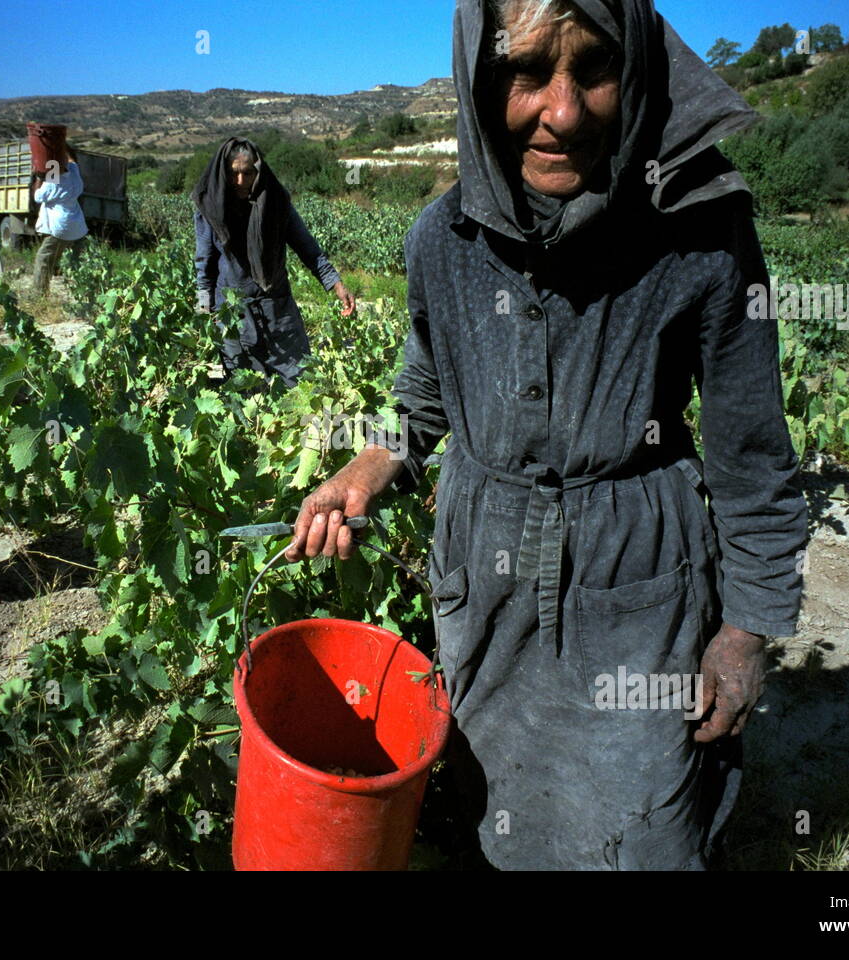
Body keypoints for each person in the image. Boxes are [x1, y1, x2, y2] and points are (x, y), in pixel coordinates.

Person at [285, 0, 808, 870]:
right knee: (491, 810)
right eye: (527, 70)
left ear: (637, 68)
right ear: (481, 80)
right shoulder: (439, 241)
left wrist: (744, 633)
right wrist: (368, 466)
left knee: (641, 826)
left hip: (637, 588)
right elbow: (424, 396)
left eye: (593, 69)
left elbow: (751, 454)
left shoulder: (701, 231)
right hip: (482, 584)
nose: (560, 112)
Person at [193, 137, 356, 389]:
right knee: (246, 392)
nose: (240, 181)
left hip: (277, 309)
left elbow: (307, 248)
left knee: (300, 382)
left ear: (257, 171)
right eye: (233, 173)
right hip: (234, 314)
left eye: (247, 173)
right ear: (223, 173)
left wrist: (335, 283)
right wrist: (205, 309)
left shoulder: (277, 203)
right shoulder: (210, 208)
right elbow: (205, 263)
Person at [33, 144, 88, 296]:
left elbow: (37, 196)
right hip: (78, 227)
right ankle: (83, 293)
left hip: (60, 227)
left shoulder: (53, 182)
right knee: (77, 262)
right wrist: (63, 144)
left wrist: (38, 177)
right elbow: (73, 160)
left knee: (43, 259)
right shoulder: (74, 175)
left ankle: (40, 294)